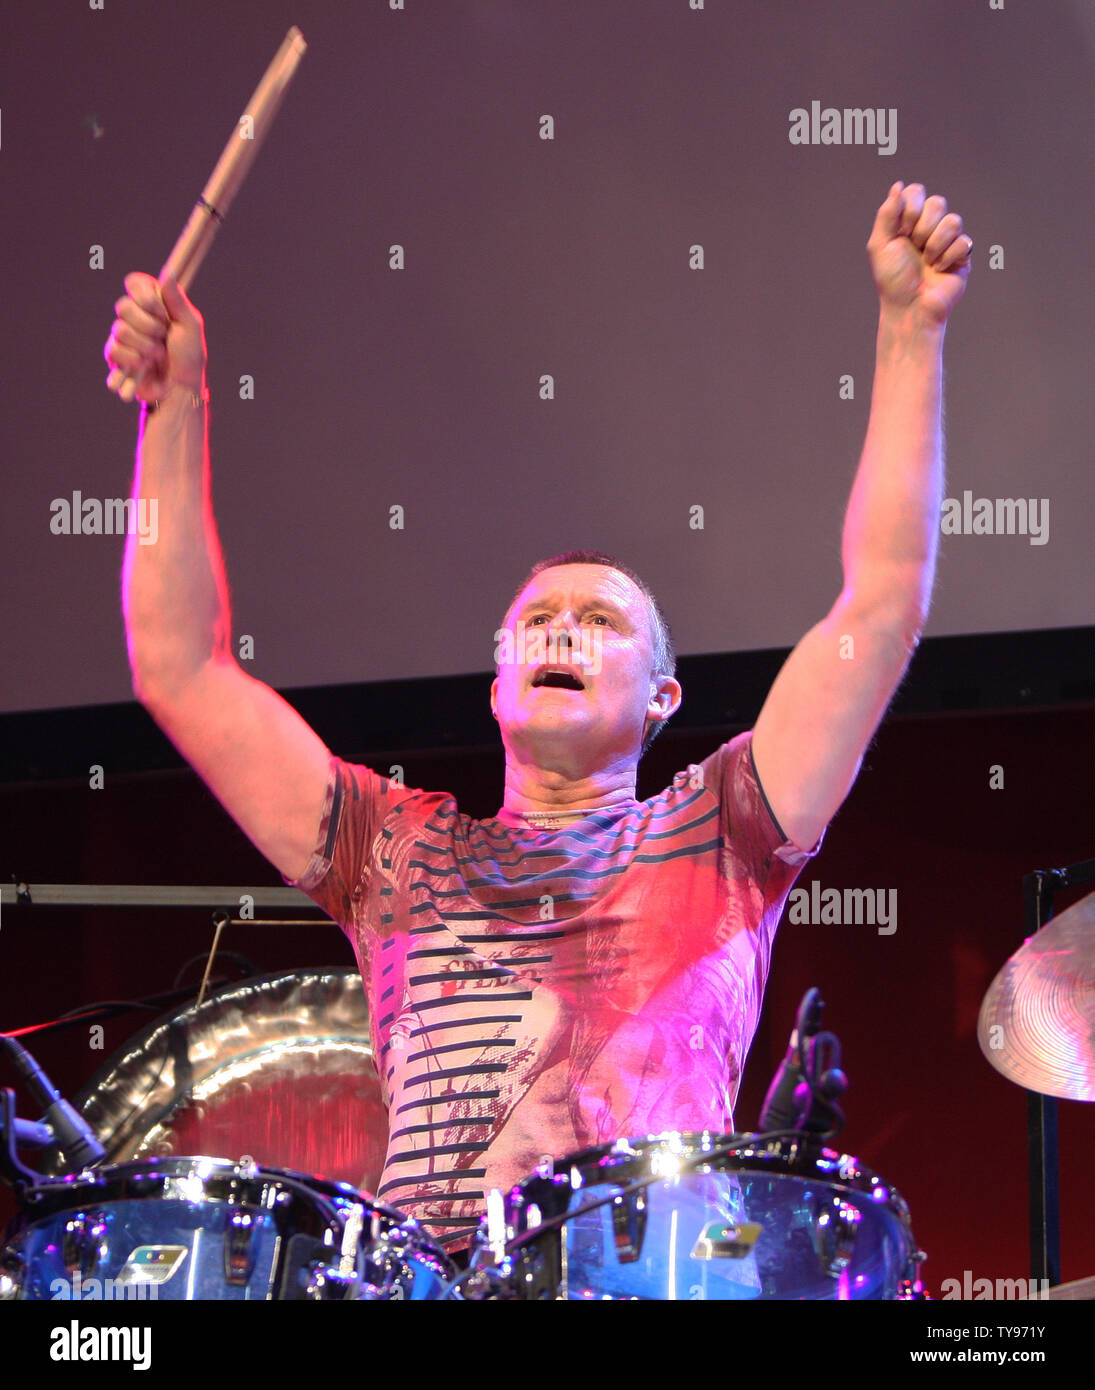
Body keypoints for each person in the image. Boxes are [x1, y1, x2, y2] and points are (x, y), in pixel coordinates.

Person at [104, 181, 971, 1250]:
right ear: (497, 684)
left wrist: (909, 328)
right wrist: (176, 402)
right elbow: (178, 666)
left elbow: (880, 604)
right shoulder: (394, 851)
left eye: (600, 620)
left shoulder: (726, 832)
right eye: (537, 620)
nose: (561, 631)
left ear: (664, 699)